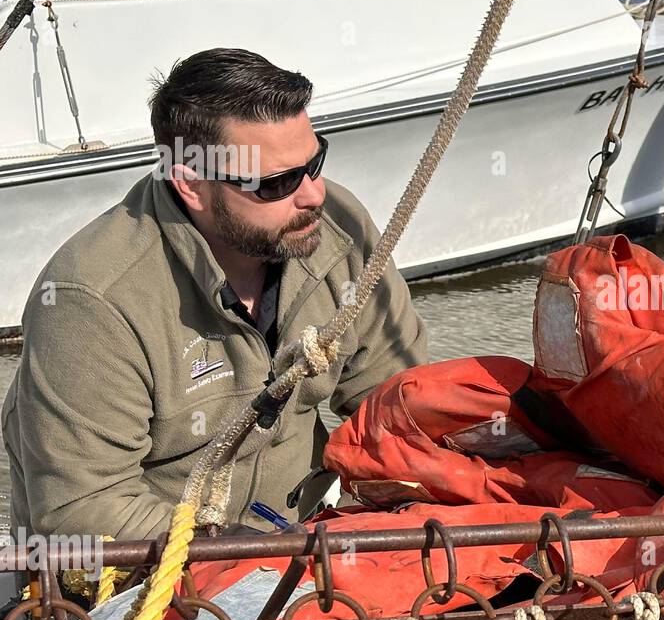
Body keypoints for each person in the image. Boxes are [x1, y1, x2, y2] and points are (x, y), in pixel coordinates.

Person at [3, 48, 426, 541]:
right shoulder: (92, 300)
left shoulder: (334, 231)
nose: (313, 194)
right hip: (145, 587)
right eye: (278, 183)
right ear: (192, 186)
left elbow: (398, 406)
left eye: (314, 163)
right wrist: (245, 553)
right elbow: (80, 509)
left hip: (302, 550)